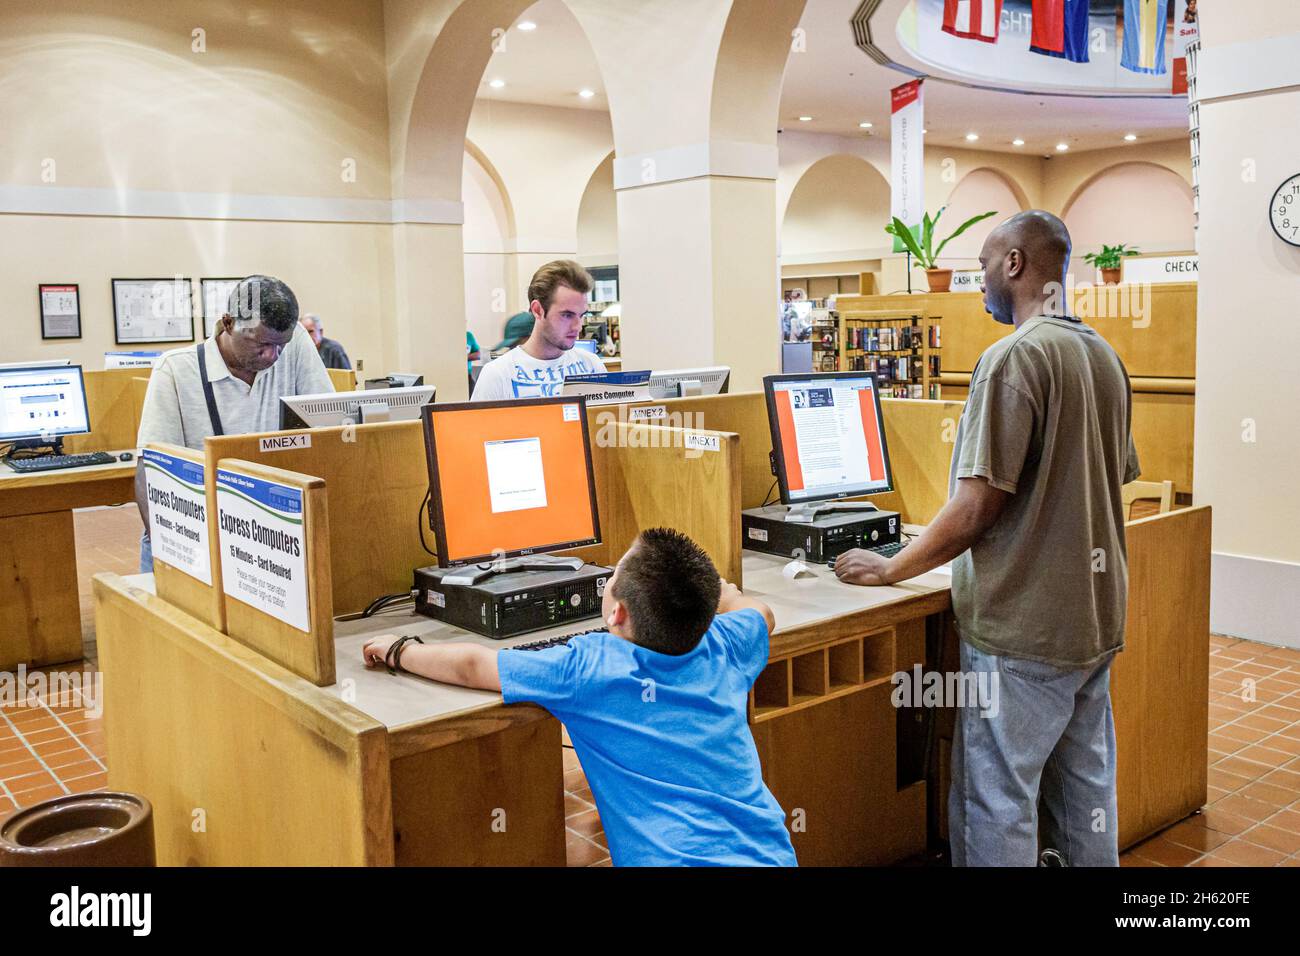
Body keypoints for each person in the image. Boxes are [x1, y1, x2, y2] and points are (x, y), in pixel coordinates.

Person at [832, 210, 1139, 867]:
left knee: (997, 798)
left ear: (1016, 264)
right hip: (1092, 620)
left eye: (981, 269)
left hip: (1022, 628)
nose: (978, 285)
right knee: (1084, 795)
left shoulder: (1014, 358)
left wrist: (891, 568)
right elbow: (1108, 477)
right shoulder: (1102, 355)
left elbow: (976, 506)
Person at [362, 528, 798, 867]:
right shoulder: (725, 643)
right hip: (771, 853)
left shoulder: (590, 667)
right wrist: (730, 595)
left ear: (616, 613)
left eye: (612, 576)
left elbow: (473, 666)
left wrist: (400, 650)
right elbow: (762, 614)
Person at [136, 275, 333, 571]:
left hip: (266, 530)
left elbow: (326, 426)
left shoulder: (292, 345)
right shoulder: (175, 370)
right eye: (261, 344)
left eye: (281, 345)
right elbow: (149, 474)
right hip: (194, 531)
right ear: (228, 323)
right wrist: (174, 554)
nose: (272, 355)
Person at [471, 260, 606, 401]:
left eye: (581, 315)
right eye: (567, 315)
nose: (577, 327)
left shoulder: (592, 365)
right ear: (537, 310)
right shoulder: (497, 374)